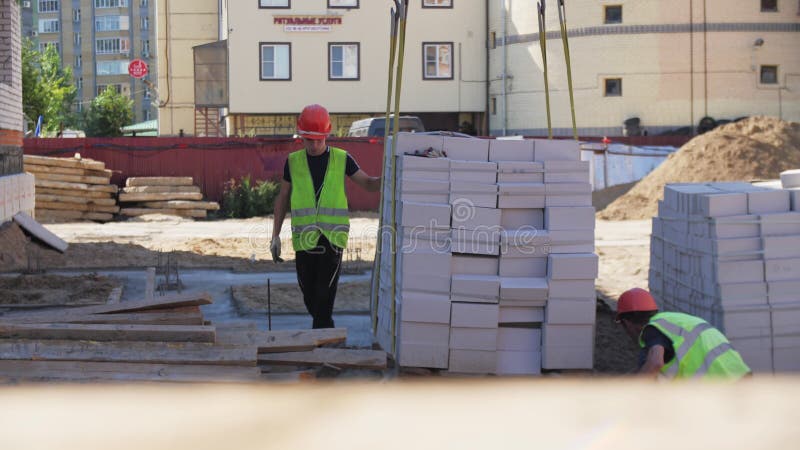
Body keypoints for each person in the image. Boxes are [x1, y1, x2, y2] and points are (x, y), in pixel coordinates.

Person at [271, 104, 381, 329]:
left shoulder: (342, 159)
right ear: (301, 136)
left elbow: (369, 184)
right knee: (308, 294)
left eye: (318, 140)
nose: (314, 145)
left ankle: (323, 339)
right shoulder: (293, 162)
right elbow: (283, 198)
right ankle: (326, 332)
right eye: (309, 140)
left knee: (324, 294)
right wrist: (275, 235)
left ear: (327, 135)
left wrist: (390, 175)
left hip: (332, 238)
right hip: (304, 239)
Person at [615, 288, 751, 379]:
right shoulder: (672, 321)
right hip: (742, 378)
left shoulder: (652, 330)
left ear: (627, 323)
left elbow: (655, 363)